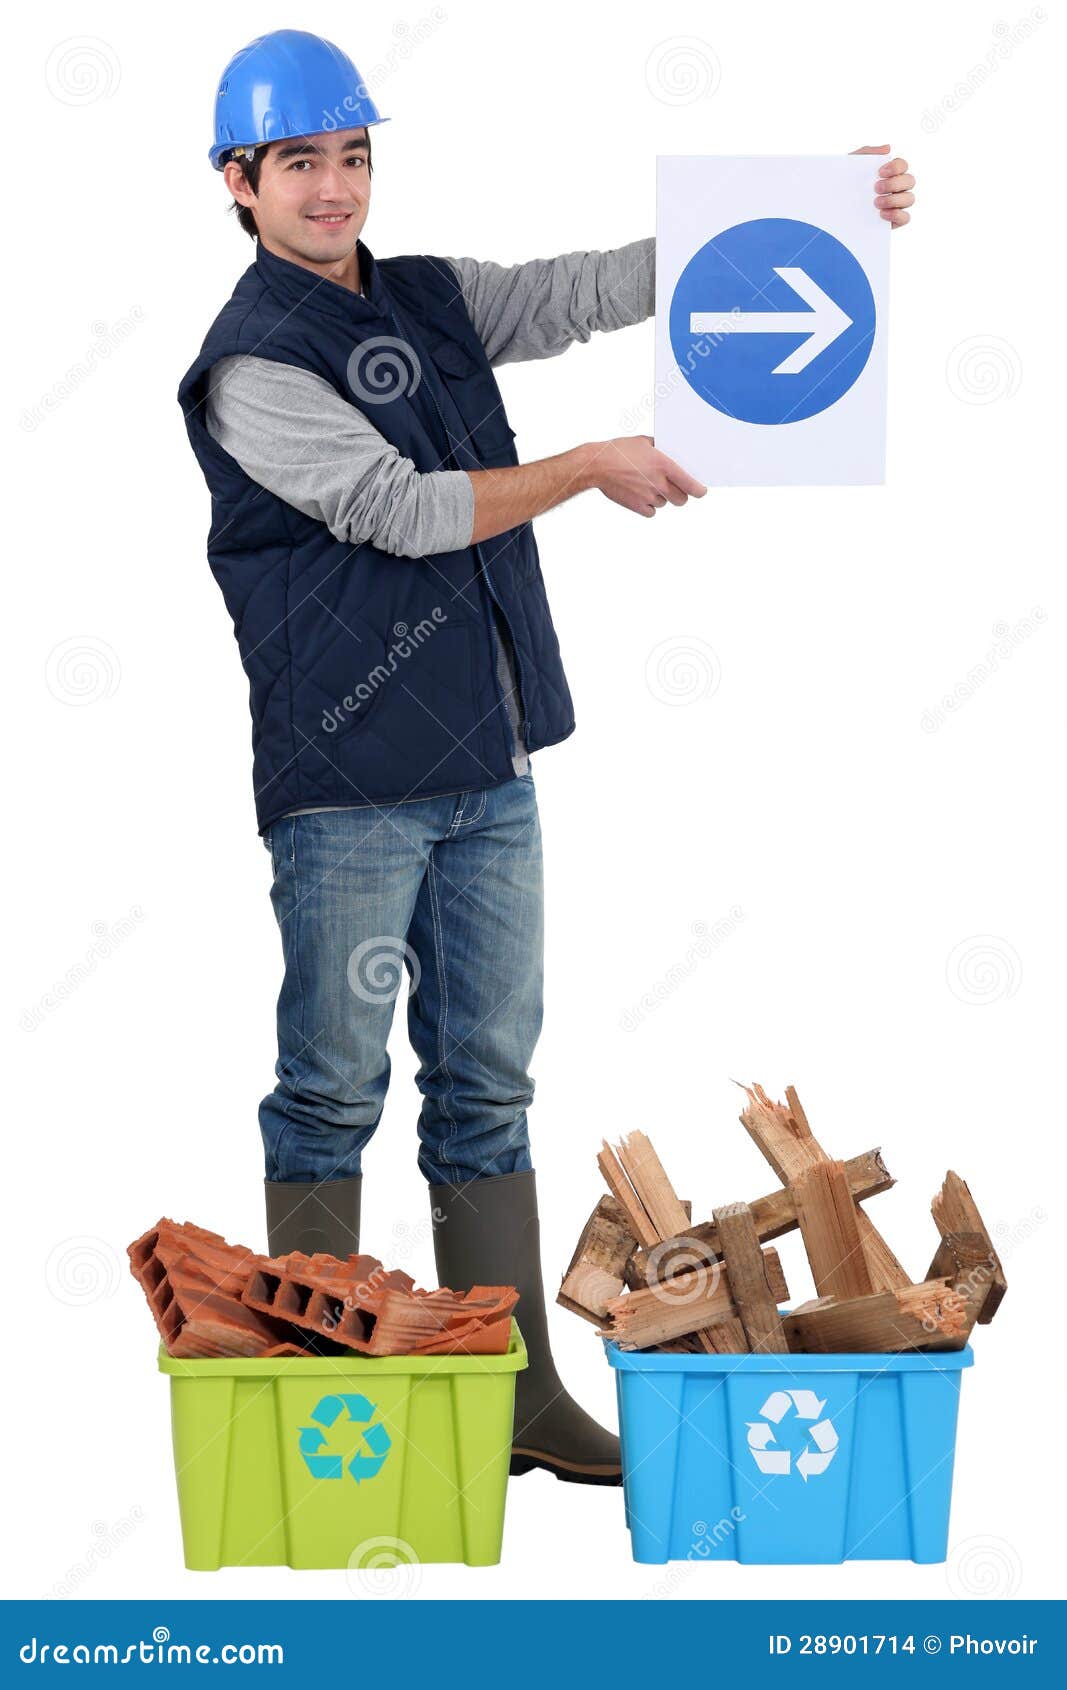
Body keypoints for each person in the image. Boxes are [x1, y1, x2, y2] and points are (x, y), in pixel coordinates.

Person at [178, 28, 916, 1484]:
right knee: (332, 1081)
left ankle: (506, 1397)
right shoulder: (249, 364)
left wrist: (808, 215)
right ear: (239, 181)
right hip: (347, 783)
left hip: (489, 765)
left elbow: (589, 288)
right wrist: (586, 467)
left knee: (489, 1081)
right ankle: (328, 1424)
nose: (335, 190)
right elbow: (399, 510)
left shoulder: (430, 299)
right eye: (303, 164)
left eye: (353, 157)